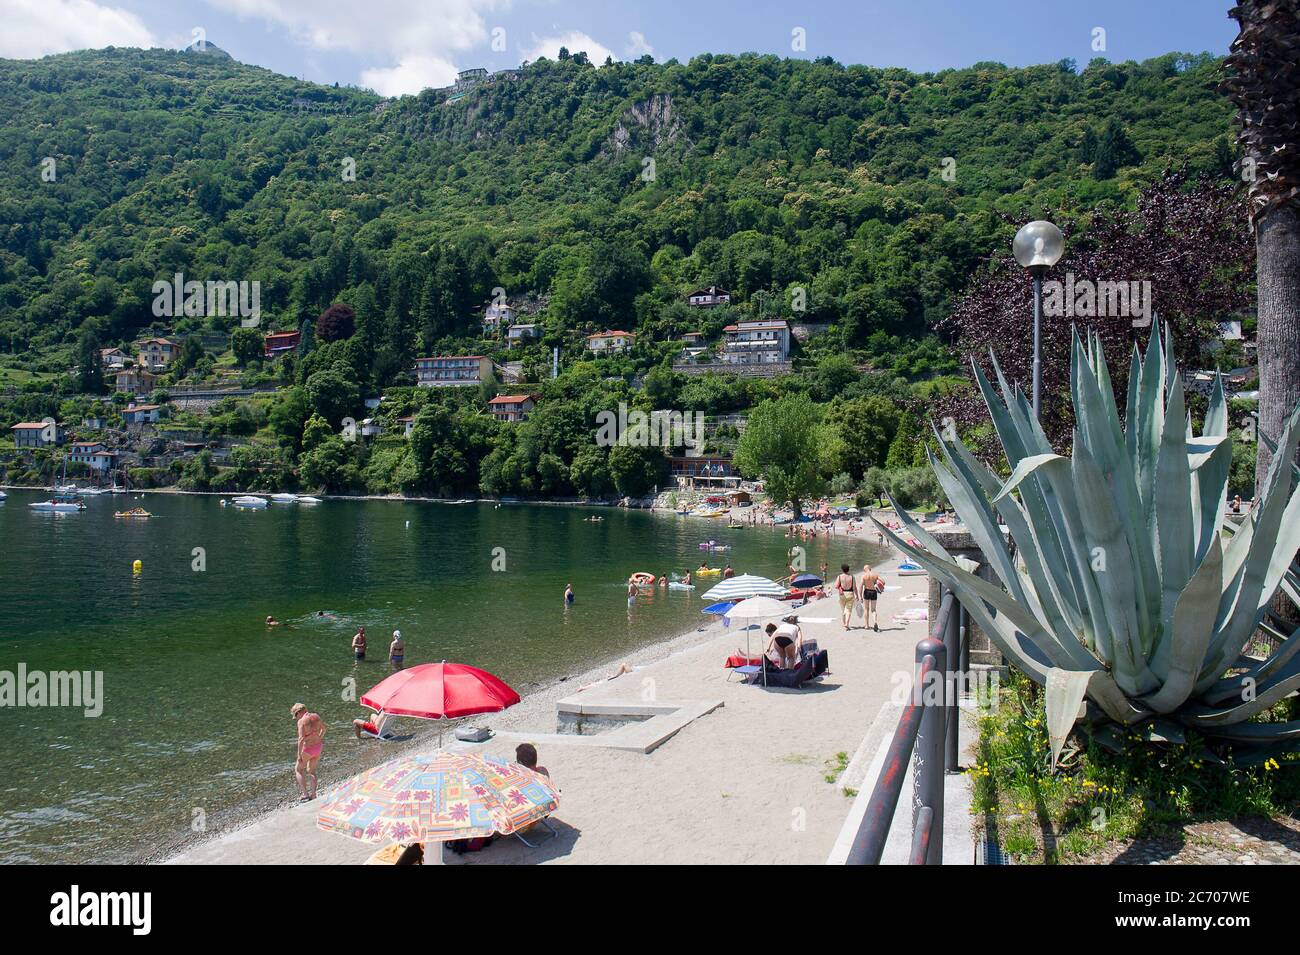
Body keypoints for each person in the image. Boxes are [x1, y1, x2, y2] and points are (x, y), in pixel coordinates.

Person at [291, 703, 326, 801]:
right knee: (311, 771)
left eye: (296, 716)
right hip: (318, 747)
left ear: (298, 713)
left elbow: (301, 739)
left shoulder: (301, 721)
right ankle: (314, 794)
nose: (296, 718)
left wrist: (299, 754)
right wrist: (319, 737)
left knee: (298, 769)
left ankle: (305, 794)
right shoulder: (316, 716)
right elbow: (324, 729)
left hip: (308, 749)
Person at [860, 564, 883, 632]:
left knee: (866, 609)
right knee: (873, 609)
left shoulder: (863, 576)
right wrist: (879, 587)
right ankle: (875, 622)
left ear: (865, 570)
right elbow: (883, 582)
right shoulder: (875, 575)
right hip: (874, 592)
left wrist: (860, 596)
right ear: (870, 569)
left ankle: (866, 625)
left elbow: (861, 586)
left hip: (867, 591)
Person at [835, 563, 857, 629]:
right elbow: (854, 588)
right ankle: (847, 623)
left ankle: (844, 623)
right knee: (848, 610)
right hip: (850, 594)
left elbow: (836, 586)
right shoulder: (852, 577)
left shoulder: (839, 576)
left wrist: (840, 588)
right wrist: (857, 596)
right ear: (848, 569)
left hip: (842, 595)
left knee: (843, 610)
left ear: (842, 569)